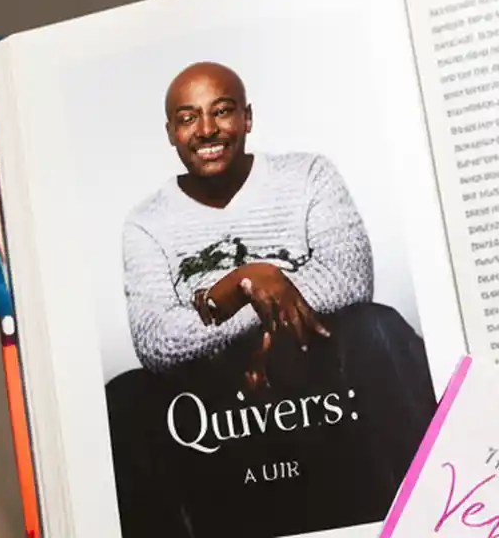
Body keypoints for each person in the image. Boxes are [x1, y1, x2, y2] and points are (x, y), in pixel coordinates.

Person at [103, 61, 438, 538]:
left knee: (376, 327)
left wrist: (239, 316)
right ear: (171, 133)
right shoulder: (146, 223)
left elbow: (348, 279)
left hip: (315, 379)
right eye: (187, 118)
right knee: (125, 396)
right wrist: (246, 282)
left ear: (248, 118)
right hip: (217, 411)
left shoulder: (308, 176)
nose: (206, 130)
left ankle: (442, 516)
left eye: (221, 111)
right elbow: (157, 340)